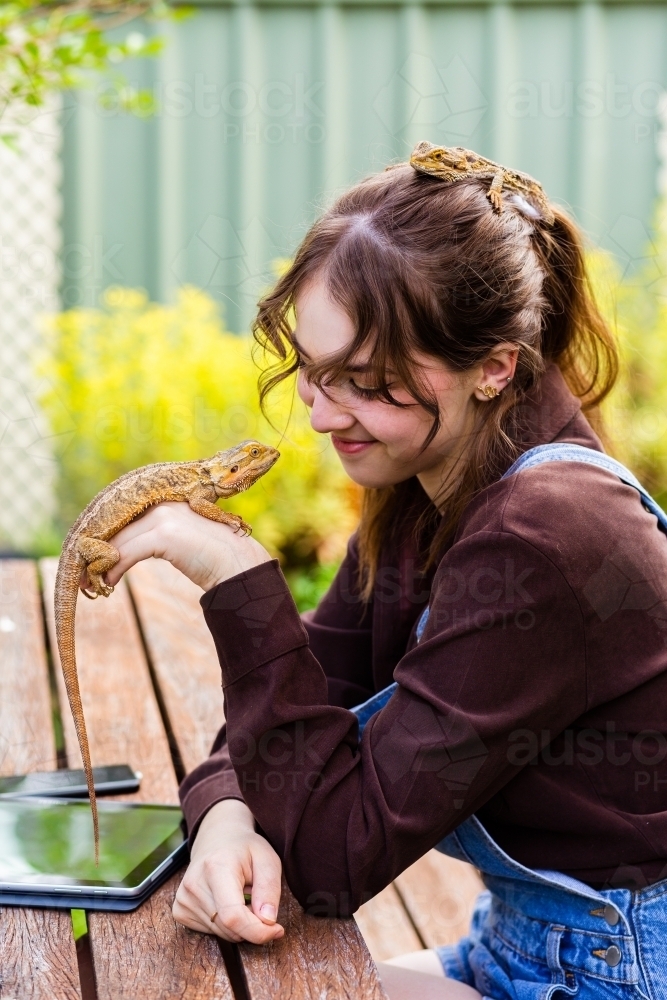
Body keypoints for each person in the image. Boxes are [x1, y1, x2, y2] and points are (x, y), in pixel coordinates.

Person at [102, 149, 667, 999]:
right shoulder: (437, 475)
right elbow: (300, 715)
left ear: (494, 366)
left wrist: (232, 572)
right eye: (312, 372)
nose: (323, 413)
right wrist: (224, 821)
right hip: (526, 947)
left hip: (614, 973)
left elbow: (334, 855)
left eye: (364, 384)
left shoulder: (543, 537)